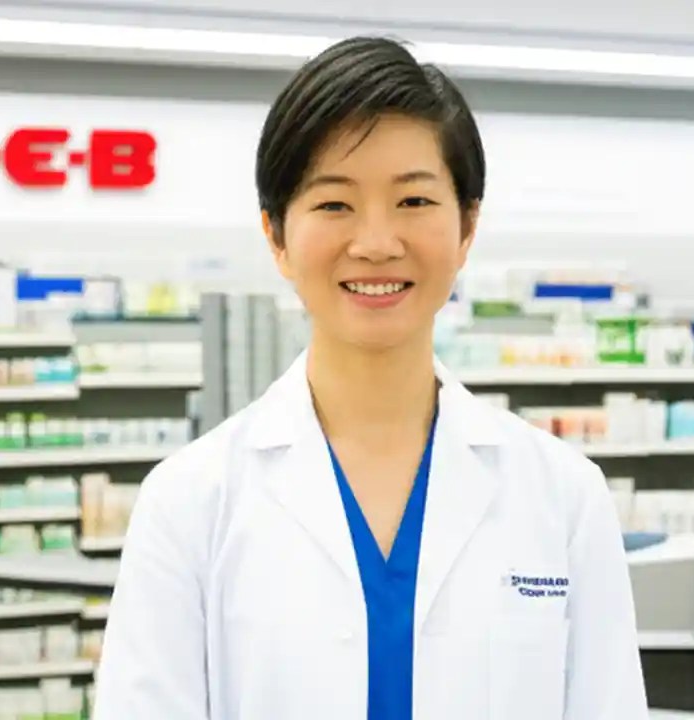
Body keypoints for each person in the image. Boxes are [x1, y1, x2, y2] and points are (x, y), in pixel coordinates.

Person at [93, 36, 648, 720]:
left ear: (468, 225)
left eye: (413, 202)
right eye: (334, 205)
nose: (377, 241)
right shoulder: (189, 502)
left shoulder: (563, 497)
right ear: (276, 235)